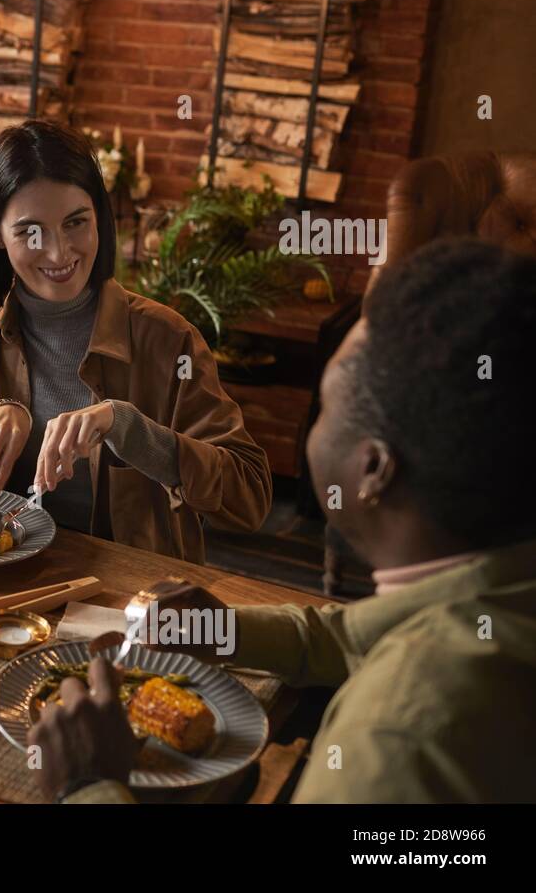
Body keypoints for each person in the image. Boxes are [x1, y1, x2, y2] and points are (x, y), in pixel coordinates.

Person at [30, 238, 536, 803]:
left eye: (326, 404)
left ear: (372, 470)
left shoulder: (398, 737)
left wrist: (87, 784)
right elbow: (357, 636)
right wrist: (227, 631)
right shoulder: (501, 593)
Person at [0, 121, 270, 561]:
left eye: (76, 222)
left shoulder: (169, 338)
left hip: (132, 589)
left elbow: (250, 497)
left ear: (100, 216)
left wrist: (129, 429)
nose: (59, 253)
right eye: (30, 232)